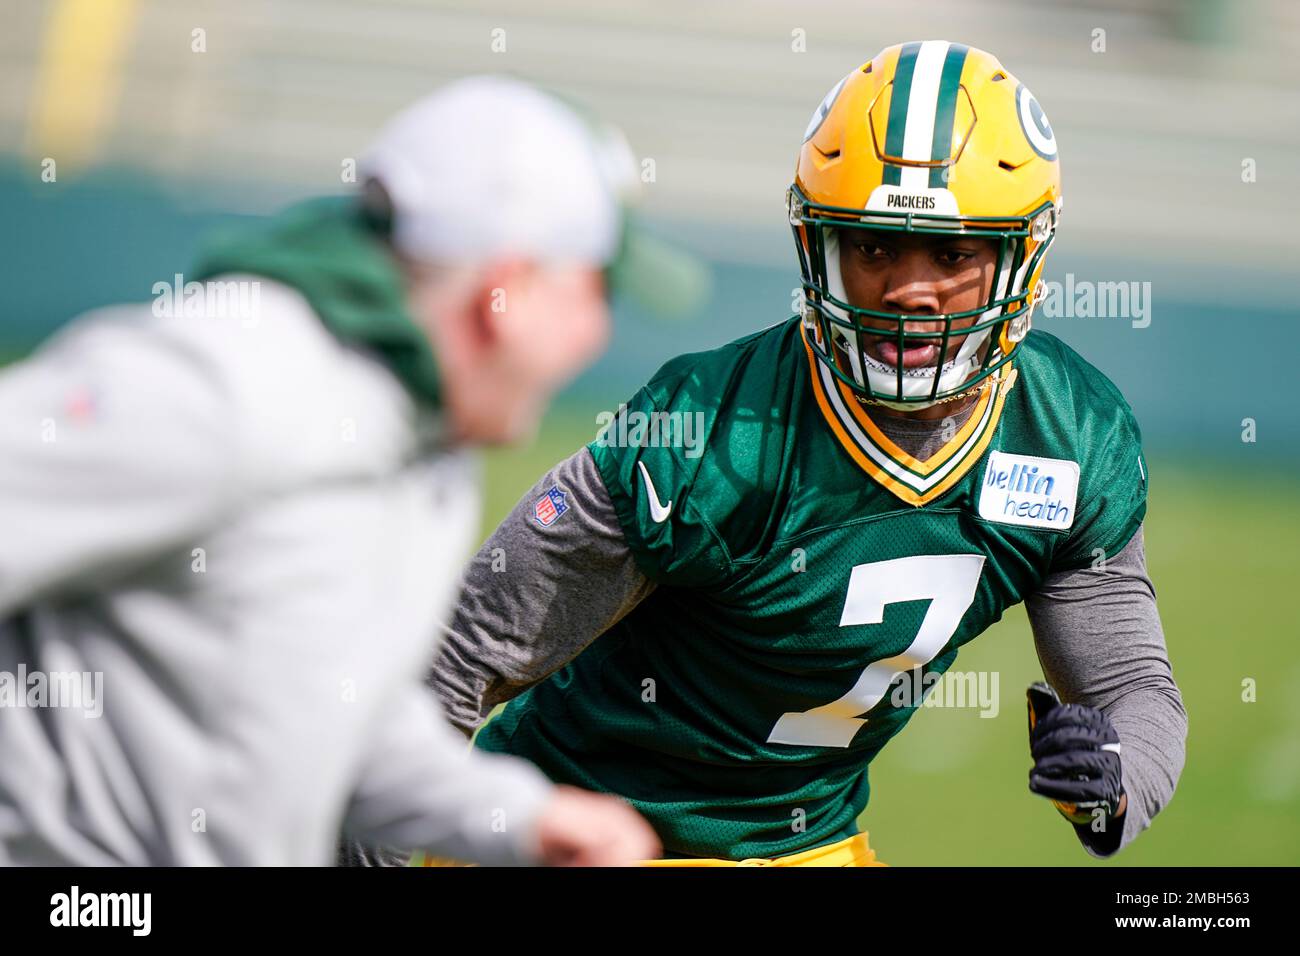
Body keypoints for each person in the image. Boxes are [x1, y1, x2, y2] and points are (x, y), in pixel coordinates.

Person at [424, 43, 1186, 866]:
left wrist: (1115, 777)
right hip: (577, 831)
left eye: (954, 254)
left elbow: (1130, 687)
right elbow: (462, 653)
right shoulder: (713, 429)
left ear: (1020, 258)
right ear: (819, 245)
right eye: (874, 247)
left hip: (805, 847)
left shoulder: (1069, 434)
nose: (909, 289)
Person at [0, 75, 681, 866]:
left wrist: (517, 819)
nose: (597, 334)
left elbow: (328, 717)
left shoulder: (428, 455)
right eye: (594, 292)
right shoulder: (224, 383)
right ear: (506, 294)